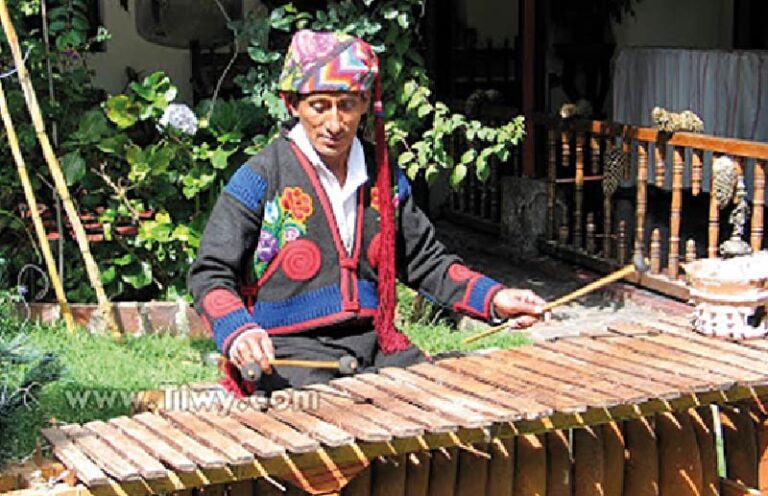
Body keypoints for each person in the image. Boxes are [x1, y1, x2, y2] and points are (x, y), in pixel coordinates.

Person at [188, 30, 546, 397]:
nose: (334, 123)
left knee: (443, 394)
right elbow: (210, 272)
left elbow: (425, 261)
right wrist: (240, 332)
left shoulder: (383, 176)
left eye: (346, 105)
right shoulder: (261, 176)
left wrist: (494, 299)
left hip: (375, 342)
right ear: (293, 104)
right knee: (330, 417)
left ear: (364, 104)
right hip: (288, 349)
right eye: (319, 106)